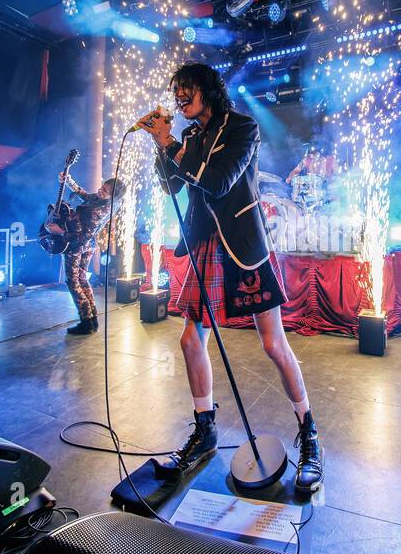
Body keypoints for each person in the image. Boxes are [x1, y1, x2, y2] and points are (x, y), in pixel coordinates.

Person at [137, 62, 323, 495]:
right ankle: (205, 430)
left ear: (208, 90)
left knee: (274, 344)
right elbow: (172, 187)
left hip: (242, 244)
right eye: (177, 90)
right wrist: (162, 146)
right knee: (189, 339)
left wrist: (171, 145)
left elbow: (219, 182)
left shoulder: (242, 127)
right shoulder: (190, 137)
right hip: (206, 245)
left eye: (188, 89)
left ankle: (309, 435)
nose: (180, 97)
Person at [53, 174, 120, 335]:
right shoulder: (102, 200)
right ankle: (92, 319)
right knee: (82, 279)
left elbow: (81, 237)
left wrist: (60, 231)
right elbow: (83, 194)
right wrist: (68, 180)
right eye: (102, 186)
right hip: (88, 246)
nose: (99, 190)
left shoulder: (100, 210)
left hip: (78, 246)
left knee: (73, 281)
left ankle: (86, 322)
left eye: (104, 190)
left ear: (112, 196)